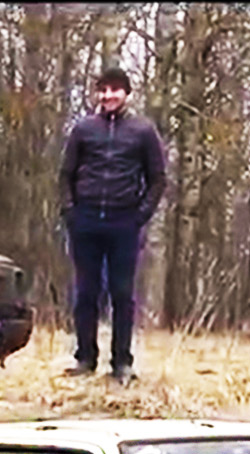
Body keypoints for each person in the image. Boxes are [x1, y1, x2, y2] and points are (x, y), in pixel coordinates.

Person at [58, 67, 166, 385]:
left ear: (127, 94)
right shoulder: (83, 129)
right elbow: (65, 174)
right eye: (103, 90)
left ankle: (122, 363)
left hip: (124, 223)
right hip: (86, 221)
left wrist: (140, 215)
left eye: (115, 90)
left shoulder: (143, 131)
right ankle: (85, 358)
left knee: (122, 294)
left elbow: (158, 179)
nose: (108, 96)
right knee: (86, 293)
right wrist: (70, 211)